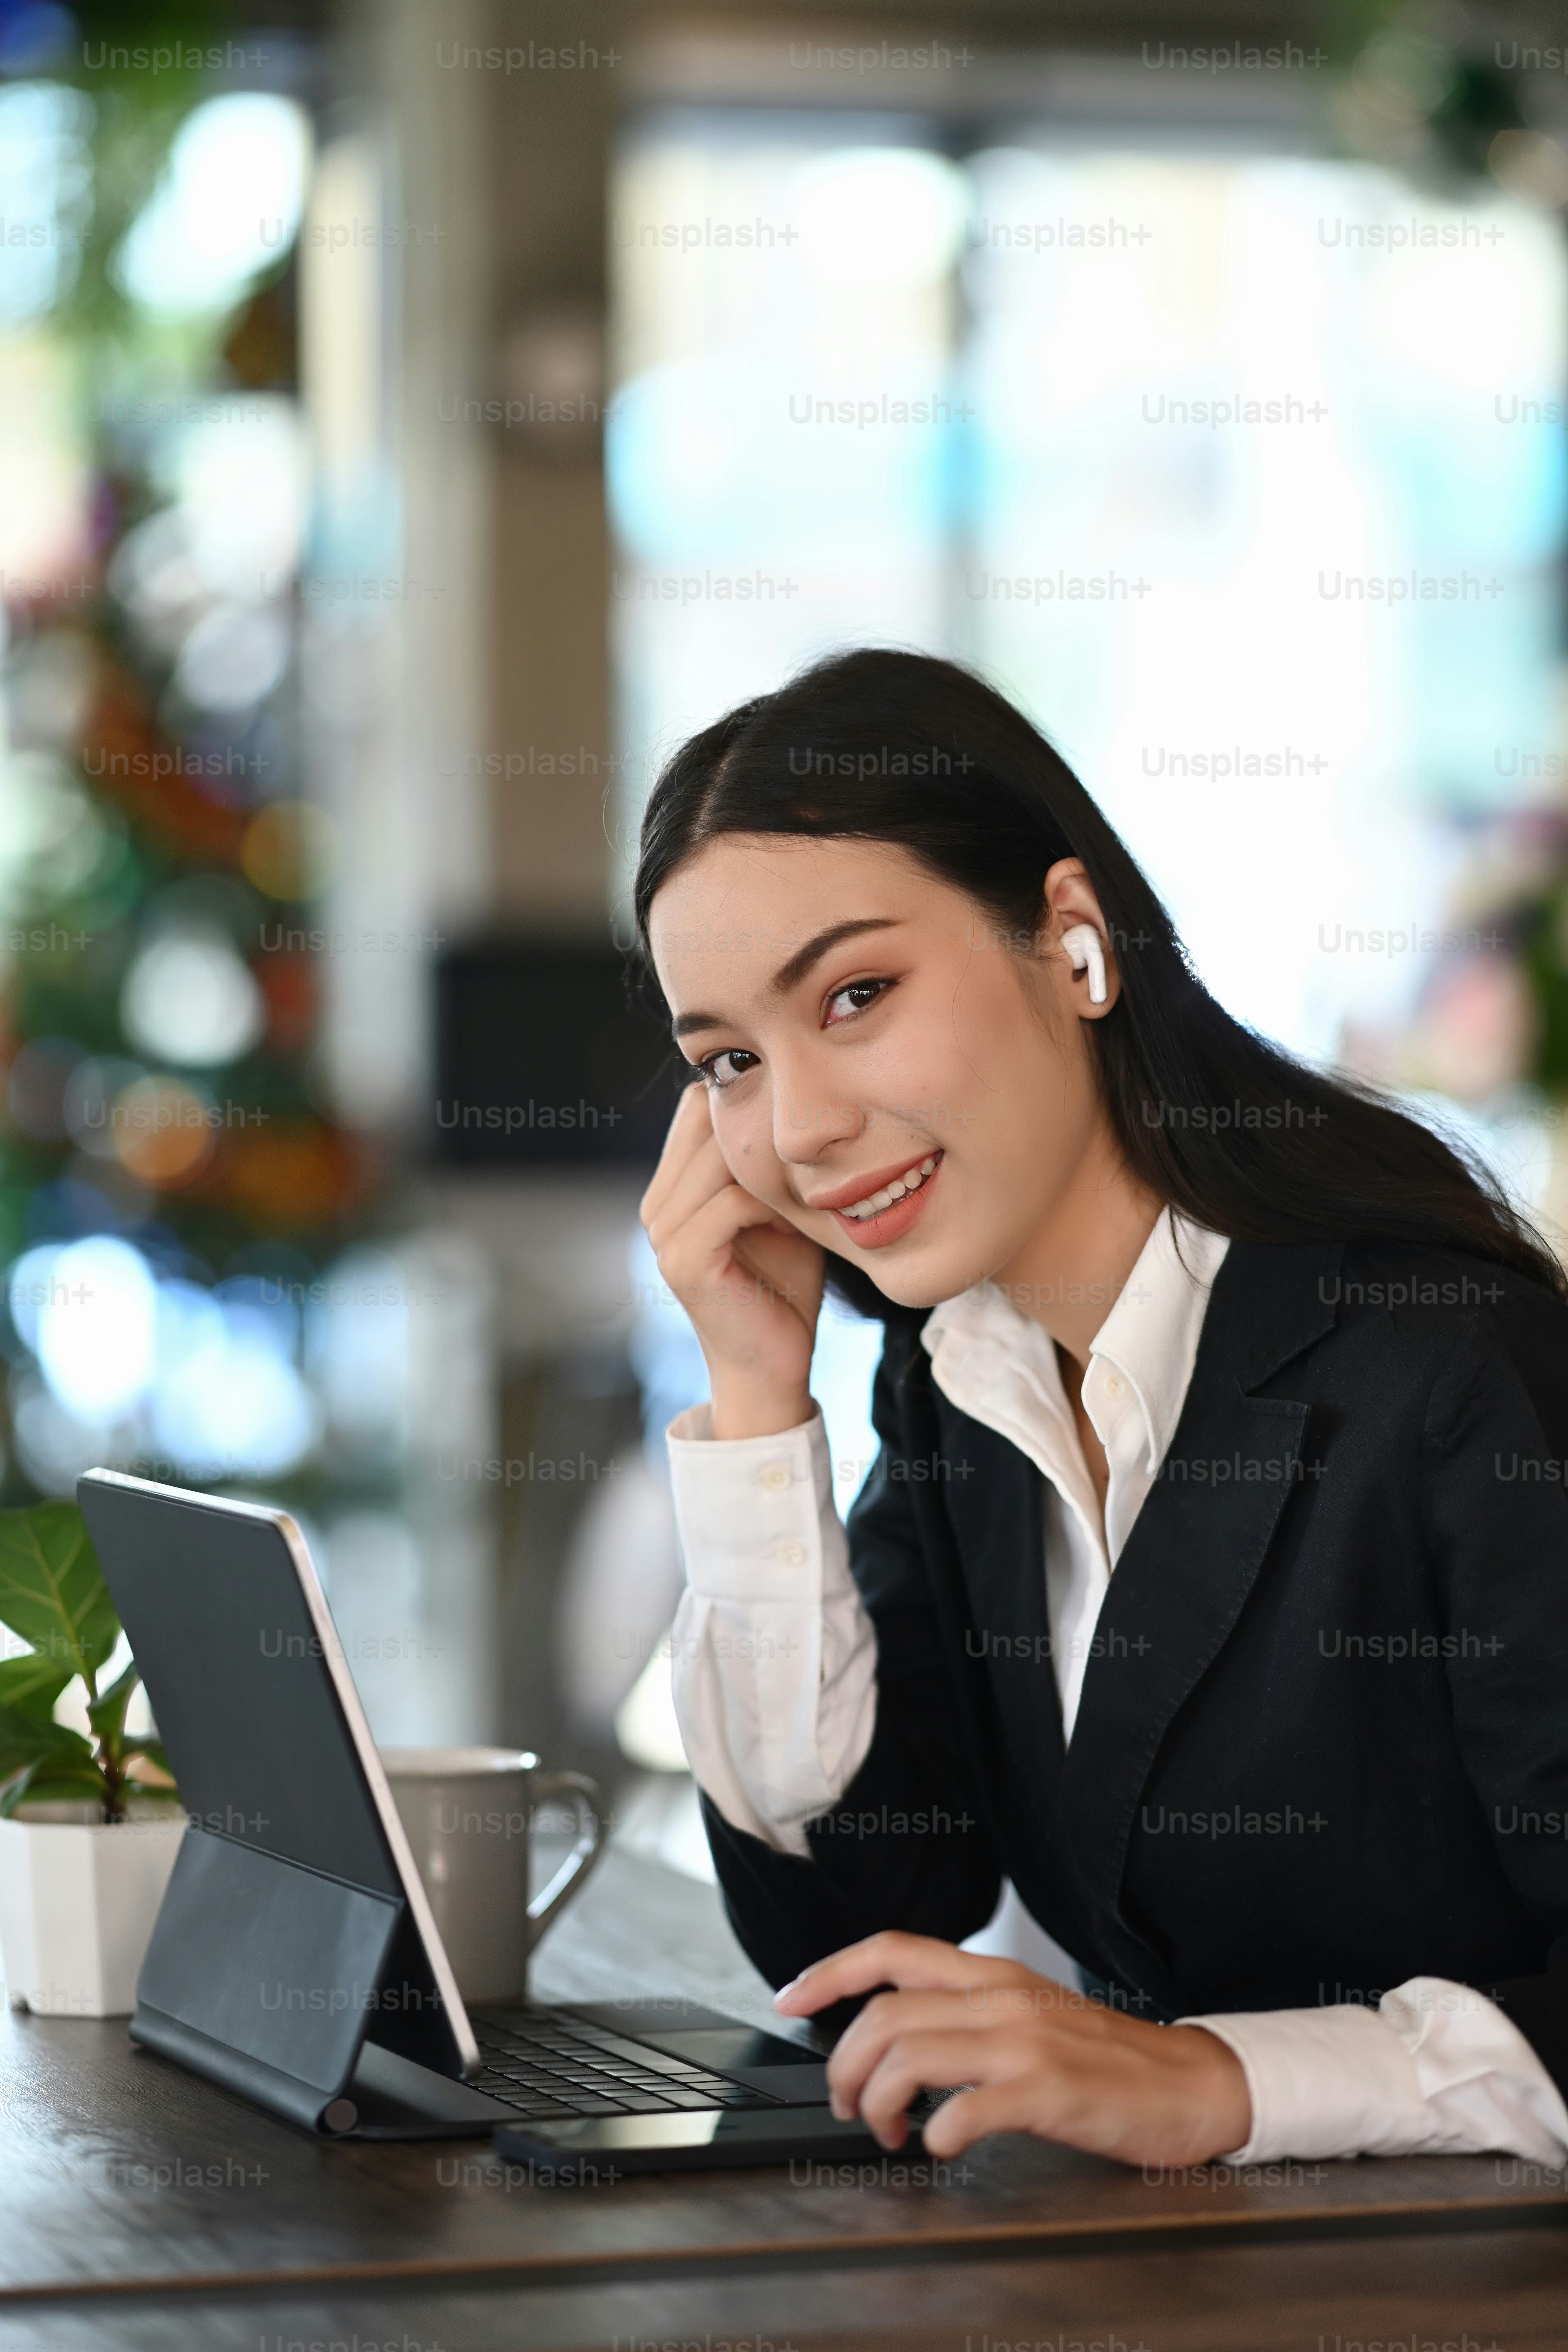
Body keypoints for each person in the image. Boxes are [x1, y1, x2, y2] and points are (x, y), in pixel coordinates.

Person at [634, 647, 1568, 2172]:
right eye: (730, 1060)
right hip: (1167, 2268)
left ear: (1072, 940)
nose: (796, 1129)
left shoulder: (1449, 1371)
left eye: (856, 995)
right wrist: (754, 1401)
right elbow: (850, 1925)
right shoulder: (962, 1381)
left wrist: (1219, 2082)